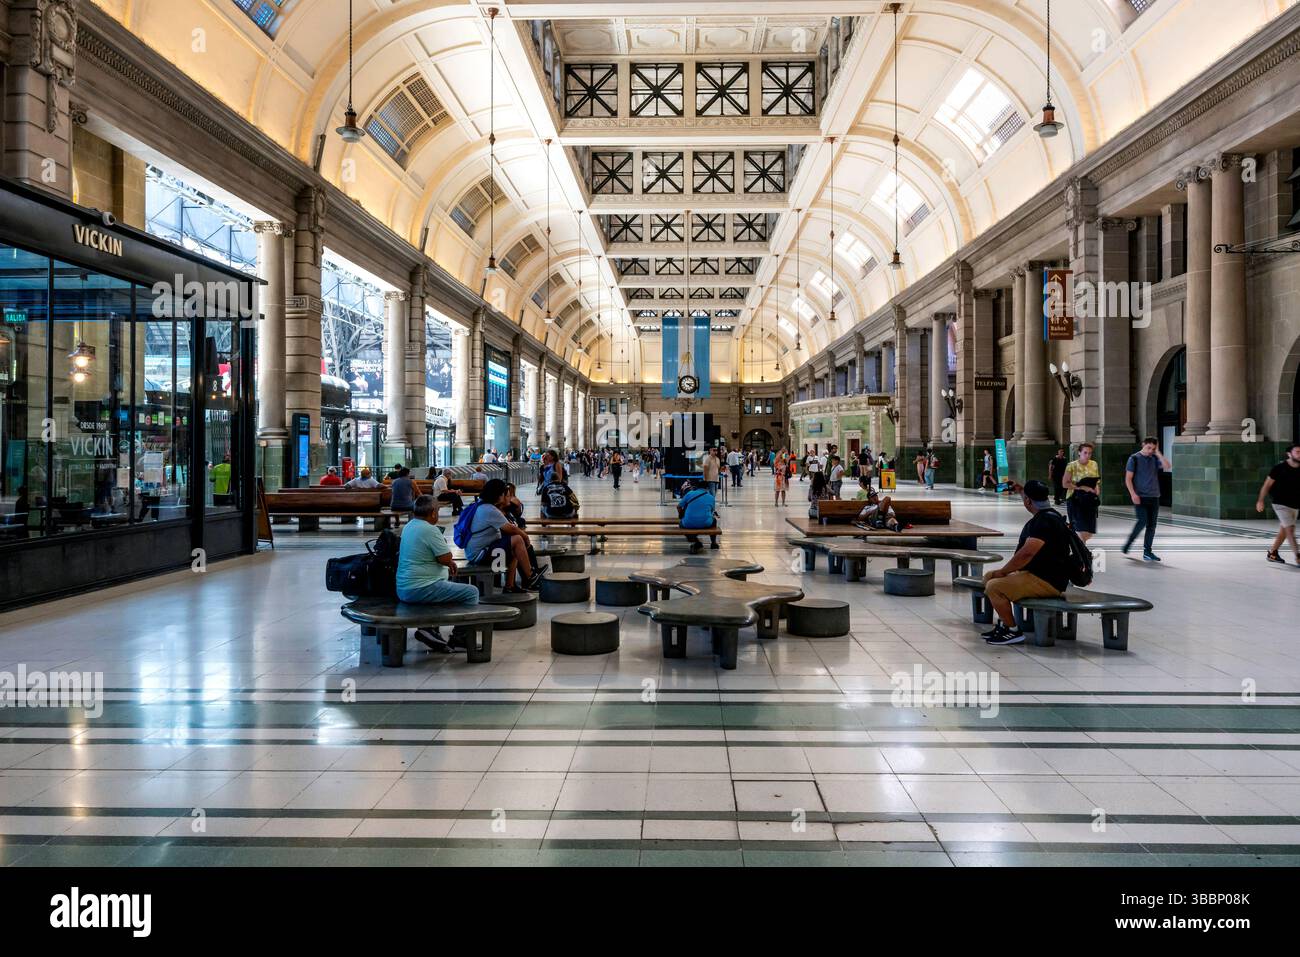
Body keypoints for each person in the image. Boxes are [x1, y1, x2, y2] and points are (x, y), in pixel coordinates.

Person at [981, 480, 1074, 646]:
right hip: (1040, 574)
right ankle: (1004, 623)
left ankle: (1012, 631)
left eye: (1025, 497)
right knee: (989, 576)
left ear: (1028, 502)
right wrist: (1021, 490)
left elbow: (1027, 553)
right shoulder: (1051, 515)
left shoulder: (1043, 522)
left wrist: (1003, 572)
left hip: (1047, 581)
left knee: (994, 586)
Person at [396, 495, 479, 608]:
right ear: (433, 512)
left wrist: (447, 562)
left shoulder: (409, 526)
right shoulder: (430, 529)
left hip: (405, 587)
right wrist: (448, 560)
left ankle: (433, 622)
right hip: (421, 588)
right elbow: (446, 557)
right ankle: (462, 624)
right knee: (471, 592)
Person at [465, 478, 541, 592]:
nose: (507, 497)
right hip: (479, 554)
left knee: (514, 546)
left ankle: (510, 586)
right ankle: (530, 576)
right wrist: (526, 538)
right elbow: (512, 529)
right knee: (517, 540)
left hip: (479, 551)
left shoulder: (483, 505)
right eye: (505, 494)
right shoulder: (489, 510)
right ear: (498, 495)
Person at [1122, 437, 1170, 562]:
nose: (1150, 451)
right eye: (1148, 448)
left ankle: (1147, 552)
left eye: (1153, 449)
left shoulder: (1154, 458)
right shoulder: (1134, 458)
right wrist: (1133, 494)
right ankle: (1129, 542)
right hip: (1140, 496)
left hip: (1154, 497)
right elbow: (1128, 478)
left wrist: (1158, 452)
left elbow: (1167, 466)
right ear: (1143, 445)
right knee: (1142, 521)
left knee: (1151, 526)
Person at [1257, 442, 1300, 564]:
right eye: (1297, 452)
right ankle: (1298, 556)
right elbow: (1267, 485)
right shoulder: (1279, 468)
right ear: (1289, 454)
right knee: (1290, 529)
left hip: (1295, 504)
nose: (1299, 455)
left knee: (1284, 531)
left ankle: (1273, 553)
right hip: (1280, 503)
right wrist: (1260, 500)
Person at [1063, 443, 1101, 544]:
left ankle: (1080, 550)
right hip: (1075, 500)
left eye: (1090, 453)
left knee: (1089, 532)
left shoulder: (1094, 464)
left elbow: (1096, 480)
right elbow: (1065, 484)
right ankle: (1082, 553)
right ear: (1079, 452)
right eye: (1085, 453)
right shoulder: (1072, 465)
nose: (1087, 455)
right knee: (1079, 528)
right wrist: (1081, 487)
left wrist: (1097, 488)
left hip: (1089, 500)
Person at [678, 480, 718, 553]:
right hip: (706, 523)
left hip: (688, 523)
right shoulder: (711, 497)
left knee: (681, 524)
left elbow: (679, 506)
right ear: (707, 488)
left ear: (696, 487)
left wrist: (681, 514)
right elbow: (712, 511)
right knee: (714, 521)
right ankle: (713, 543)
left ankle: (696, 541)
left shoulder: (690, 494)